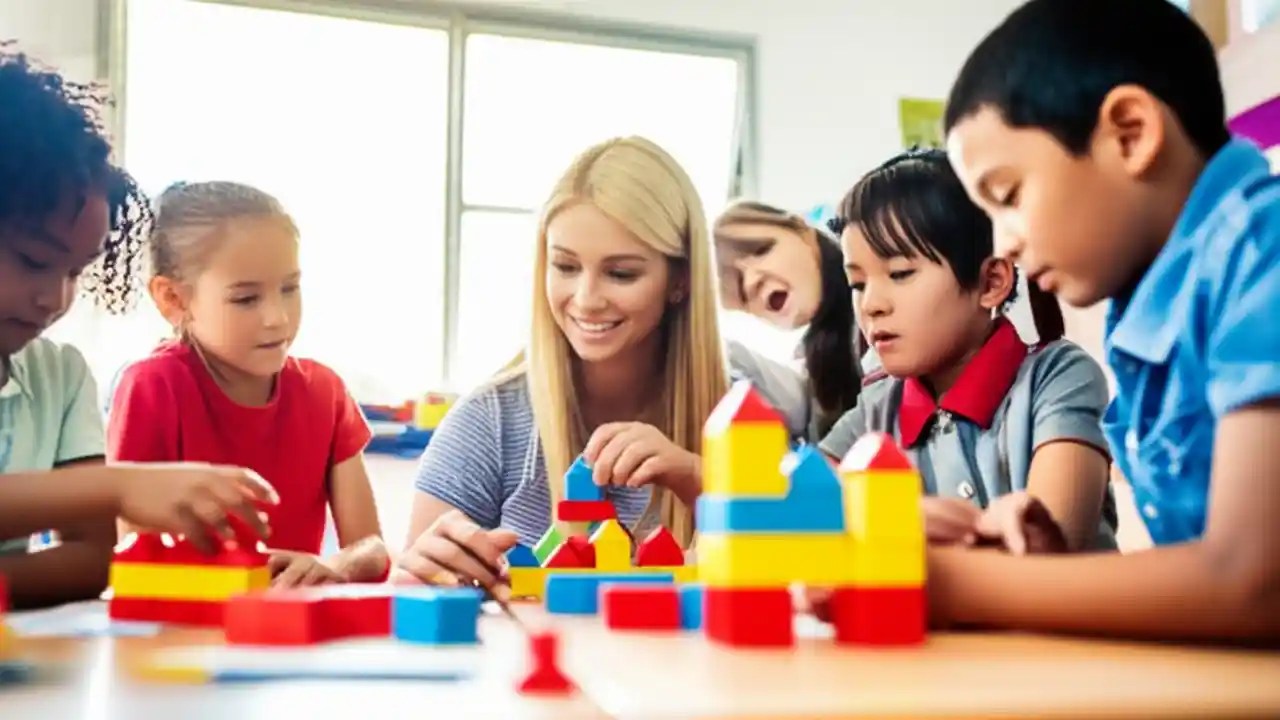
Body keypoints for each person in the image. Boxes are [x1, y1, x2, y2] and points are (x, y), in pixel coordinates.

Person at [934, 0, 1279, 641]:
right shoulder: (1143, 306)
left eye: (1007, 197)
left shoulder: (1264, 251)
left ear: (1130, 133)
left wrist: (962, 584)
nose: (1001, 243)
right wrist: (1042, 569)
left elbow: (1255, 584)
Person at [395, 137, 809, 593]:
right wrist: (424, 572)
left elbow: (802, 576)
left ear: (679, 280)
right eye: (566, 267)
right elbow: (410, 591)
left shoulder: (743, 421)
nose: (587, 300)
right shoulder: (489, 422)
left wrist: (694, 475)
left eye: (621, 274)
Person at [0, 47, 277, 609]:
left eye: (75, 271)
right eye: (33, 261)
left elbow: (90, 559)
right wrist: (120, 484)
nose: (54, 298)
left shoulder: (60, 375)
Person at [818, 148, 1115, 554]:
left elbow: (1050, 548)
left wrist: (895, 525)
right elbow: (798, 512)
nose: (870, 304)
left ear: (992, 281)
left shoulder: (1058, 378)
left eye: (900, 274)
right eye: (857, 284)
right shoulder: (876, 408)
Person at [107, 181, 388, 587]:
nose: (277, 317)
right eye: (245, 299)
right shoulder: (152, 386)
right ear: (173, 299)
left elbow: (372, 548)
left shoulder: (325, 392)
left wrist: (337, 566)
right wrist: (249, 571)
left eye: (290, 288)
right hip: (185, 637)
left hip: (292, 636)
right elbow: (135, 558)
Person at [714, 201, 861, 437]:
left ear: (801, 229)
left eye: (762, 250)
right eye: (740, 290)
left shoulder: (874, 309)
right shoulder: (817, 364)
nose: (752, 281)